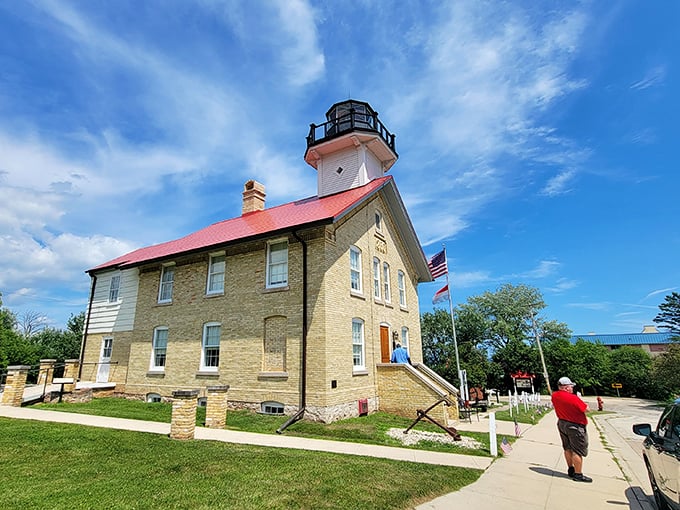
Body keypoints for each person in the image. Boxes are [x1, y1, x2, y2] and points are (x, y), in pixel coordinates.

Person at [551, 376, 592, 483]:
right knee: (577, 450)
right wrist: (579, 399)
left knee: (567, 447)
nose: (572, 388)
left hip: (562, 423)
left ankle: (571, 468)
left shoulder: (555, 396)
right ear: (566, 387)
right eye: (571, 386)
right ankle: (578, 474)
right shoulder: (573, 398)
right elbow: (587, 409)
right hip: (575, 426)